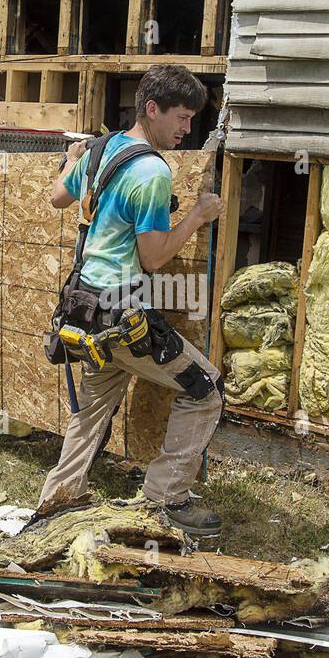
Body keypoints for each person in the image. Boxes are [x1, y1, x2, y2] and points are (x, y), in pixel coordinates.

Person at [38, 65, 225, 535]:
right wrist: (199, 216)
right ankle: (167, 499)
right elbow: (155, 256)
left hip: (83, 309)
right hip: (123, 311)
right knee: (205, 391)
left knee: (93, 410)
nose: (187, 129)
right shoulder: (151, 171)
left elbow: (59, 197)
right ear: (151, 109)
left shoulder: (102, 148)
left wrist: (71, 159)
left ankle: (60, 496)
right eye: (181, 118)